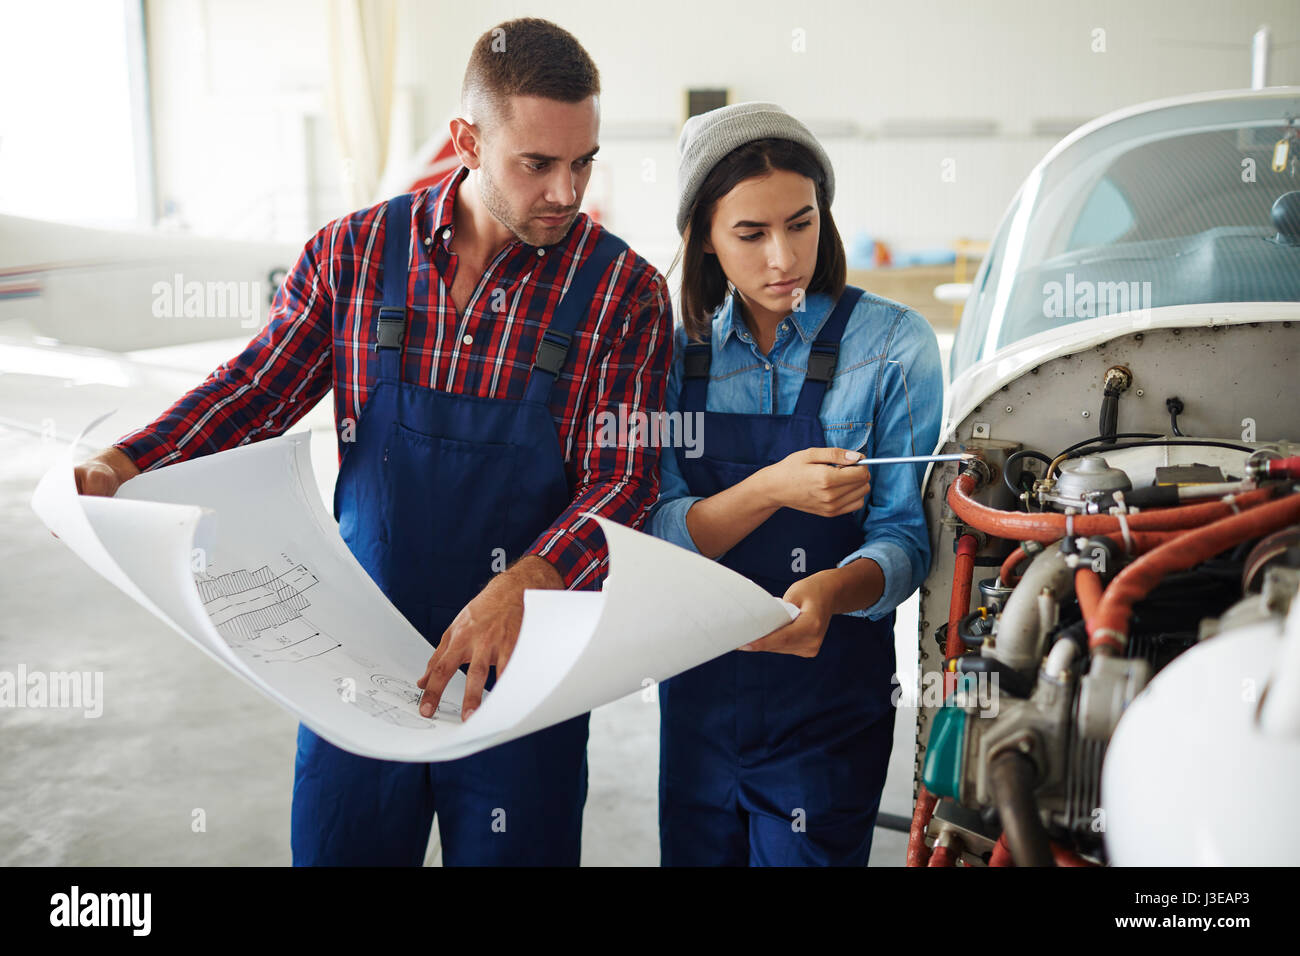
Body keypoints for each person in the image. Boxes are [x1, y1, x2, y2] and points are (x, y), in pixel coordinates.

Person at [73, 18, 671, 866]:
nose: (567, 193)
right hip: (352, 665)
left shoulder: (624, 294)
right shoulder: (353, 256)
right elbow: (255, 390)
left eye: (584, 162)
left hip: (521, 680)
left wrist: (531, 580)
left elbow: (627, 480)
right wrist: (124, 461)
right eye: (537, 164)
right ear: (466, 141)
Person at [649, 102, 943, 866]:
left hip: (830, 708)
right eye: (750, 234)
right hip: (700, 703)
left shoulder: (892, 347)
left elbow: (905, 534)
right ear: (704, 239)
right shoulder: (673, 354)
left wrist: (836, 591)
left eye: (802, 223)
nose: (784, 258)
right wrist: (772, 488)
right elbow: (655, 531)